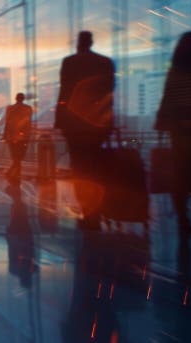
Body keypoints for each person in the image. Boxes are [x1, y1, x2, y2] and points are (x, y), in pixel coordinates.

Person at [54, 31, 114, 231]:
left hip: (75, 124)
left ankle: (87, 210)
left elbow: (65, 92)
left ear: (78, 43)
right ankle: (98, 207)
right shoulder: (105, 63)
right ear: (92, 42)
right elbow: (108, 94)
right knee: (97, 166)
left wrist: (60, 121)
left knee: (80, 168)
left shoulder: (69, 63)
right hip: (97, 124)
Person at [155, 31, 191, 237]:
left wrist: (162, 121)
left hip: (179, 130)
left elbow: (167, 97)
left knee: (181, 174)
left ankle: (182, 217)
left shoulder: (174, 72)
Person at [3, 93, 33, 182]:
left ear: (16, 98)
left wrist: (5, 135)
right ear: (23, 99)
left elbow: (7, 122)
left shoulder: (10, 108)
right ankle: (15, 173)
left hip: (12, 136)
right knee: (19, 155)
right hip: (24, 136)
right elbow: (28, 122)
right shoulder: (28, 108)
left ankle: (13, 172)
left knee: (15, 155)